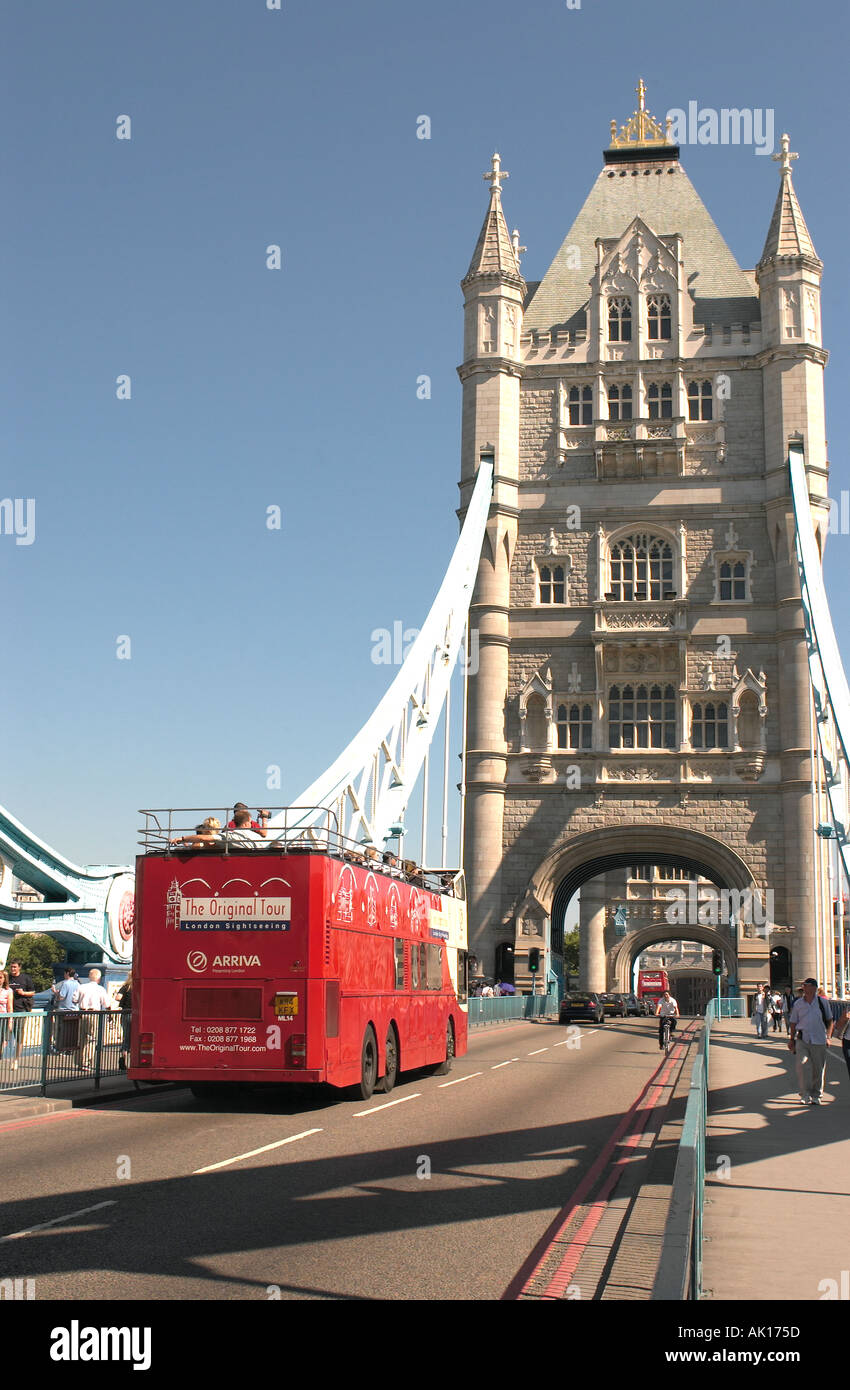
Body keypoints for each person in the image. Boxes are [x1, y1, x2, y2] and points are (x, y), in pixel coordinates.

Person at [788, 977, 834, 1105]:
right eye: (803, 985)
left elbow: (830, 1021)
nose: (804, 987)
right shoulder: (798, 1003)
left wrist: (828, 1037)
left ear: (813, 988)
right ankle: (805, 1094)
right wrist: (791, 1039)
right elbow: (793, 1022)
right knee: (802, 1066)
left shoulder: (823, 1003)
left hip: (819, 1039)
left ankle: (816, 1094)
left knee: (818, 1069)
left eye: (806, 985)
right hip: (803, 1039)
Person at [74, 969, 113, 1074]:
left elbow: (74, 1000)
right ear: (99, 978)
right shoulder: (100, 989)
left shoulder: (81, 987)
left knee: (81, 1038)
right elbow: (107, 1004)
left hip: (81, 1013)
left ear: (89, 976)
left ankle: (79, 1062)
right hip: (94, 1014)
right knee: (91, 1039)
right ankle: (86, 1063)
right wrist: (110, 1016)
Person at [7, 960, 35, 1071]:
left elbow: (32, 992)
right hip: (7, 1011)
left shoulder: (25, 978)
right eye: (11, 967)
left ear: (19, 967)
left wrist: (23, 993)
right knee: (4, 1036)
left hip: (21, 1010)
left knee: (18, 1035)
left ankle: (16, 1059)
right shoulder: (7, 977)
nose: (13, 969)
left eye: (14, 967)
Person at [52, 967, 81, 1055]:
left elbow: (62, 997)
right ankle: (70, 1049)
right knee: (72, 1031)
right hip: (75, 1010)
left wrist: (55, 992)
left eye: (64, 973)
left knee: (61, 1031)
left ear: (67, 973)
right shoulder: (78, 984)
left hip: (64, 1010)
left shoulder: (65, 984)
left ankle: (60, 1049)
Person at [115, 974, 132, 1070]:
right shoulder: (140, 985)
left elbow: (118, 997)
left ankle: (123, 1060)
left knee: (126, 1038)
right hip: (137, 1014)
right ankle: (134, 1062)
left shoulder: (125, 987)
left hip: (126, 1014)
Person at [0, 970, 13, 1064]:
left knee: (1, 1040)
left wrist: (10, 1021)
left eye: (0, 978)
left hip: (3, 1018)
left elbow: (10, 1006)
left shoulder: (8, 991)